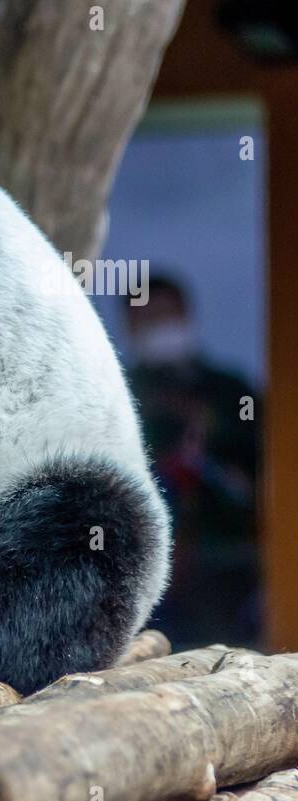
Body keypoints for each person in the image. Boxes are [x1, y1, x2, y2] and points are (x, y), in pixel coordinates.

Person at [125, 276, 261, 647]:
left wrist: (211, 426)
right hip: (145, 559)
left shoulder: (228, 390)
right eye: (145, 319)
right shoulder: (121, 390)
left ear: (185, 315)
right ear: (129, 327)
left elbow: (263, 456)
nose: (156, 327)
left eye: (164, 315)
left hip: (228, 556)